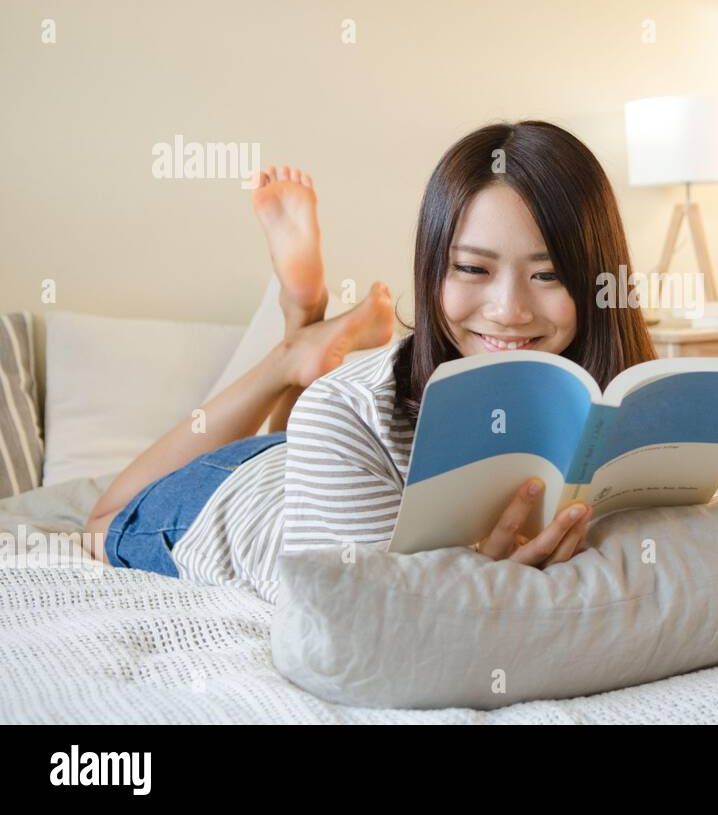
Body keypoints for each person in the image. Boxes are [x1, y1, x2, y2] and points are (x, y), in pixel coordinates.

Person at [82, 121, 658, 603]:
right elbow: (360, 611)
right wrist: (485, 580)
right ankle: (295, 343)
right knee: (100, 523)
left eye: (549, 274)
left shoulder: (623, 409)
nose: (508, 311)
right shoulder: (346, 410)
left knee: (299, 434)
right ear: (432, 267)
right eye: (473, 269)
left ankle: (305, 342)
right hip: (234, 499)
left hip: (326, 468)